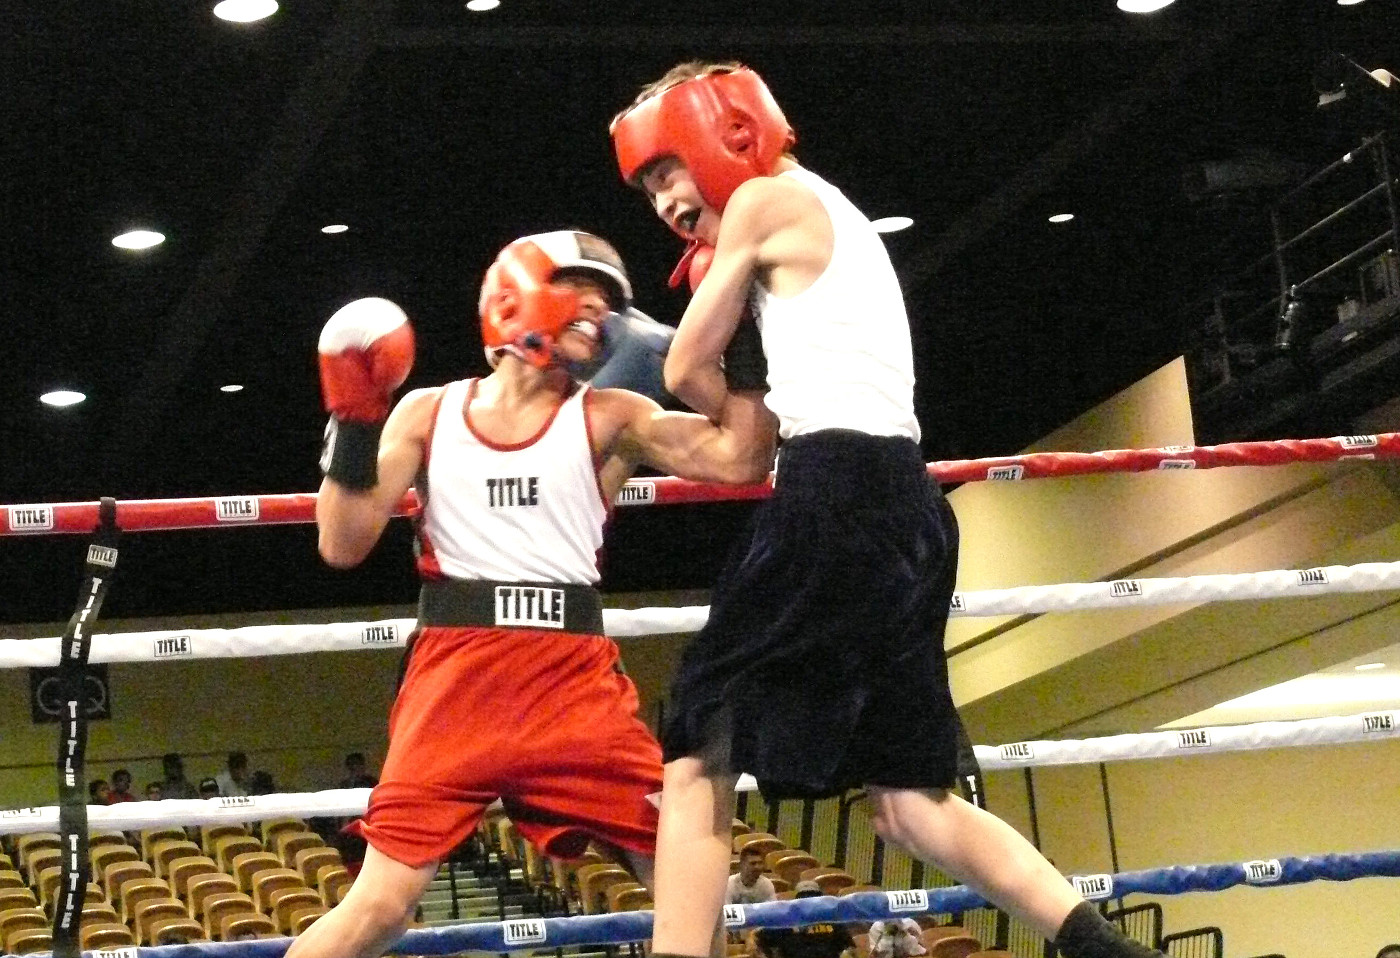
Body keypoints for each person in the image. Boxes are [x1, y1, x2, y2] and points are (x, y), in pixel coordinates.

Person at [610, 62, 1164, 958]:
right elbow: (748, 449)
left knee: (695, 750)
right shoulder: (819, 222)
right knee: (910, 802)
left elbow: (682, 376)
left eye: (669, 167)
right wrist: (655, 427)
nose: (665, 196)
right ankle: (1105, 950)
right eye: (647, 185)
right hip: (909, 508)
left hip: (833, 497)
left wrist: (652, 389)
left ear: (731, 132)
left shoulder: (762, 203)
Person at [285, 230, 772, 958]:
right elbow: (341, 541)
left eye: (610, 302)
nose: (599, 314)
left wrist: (745, 339)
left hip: (572, 682)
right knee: (380, 908)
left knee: (687, 868)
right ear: (516, 295)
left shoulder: (612, 415)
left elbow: (742, 458)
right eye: (584, 292)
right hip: (455, 683)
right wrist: (354, 418)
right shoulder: (428, 412)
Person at [755, 881, 855, 958]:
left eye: (813, 897)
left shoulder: (832, 920)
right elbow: (759, 938)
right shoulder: (785, 922)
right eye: (805, 898)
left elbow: (849, 947)